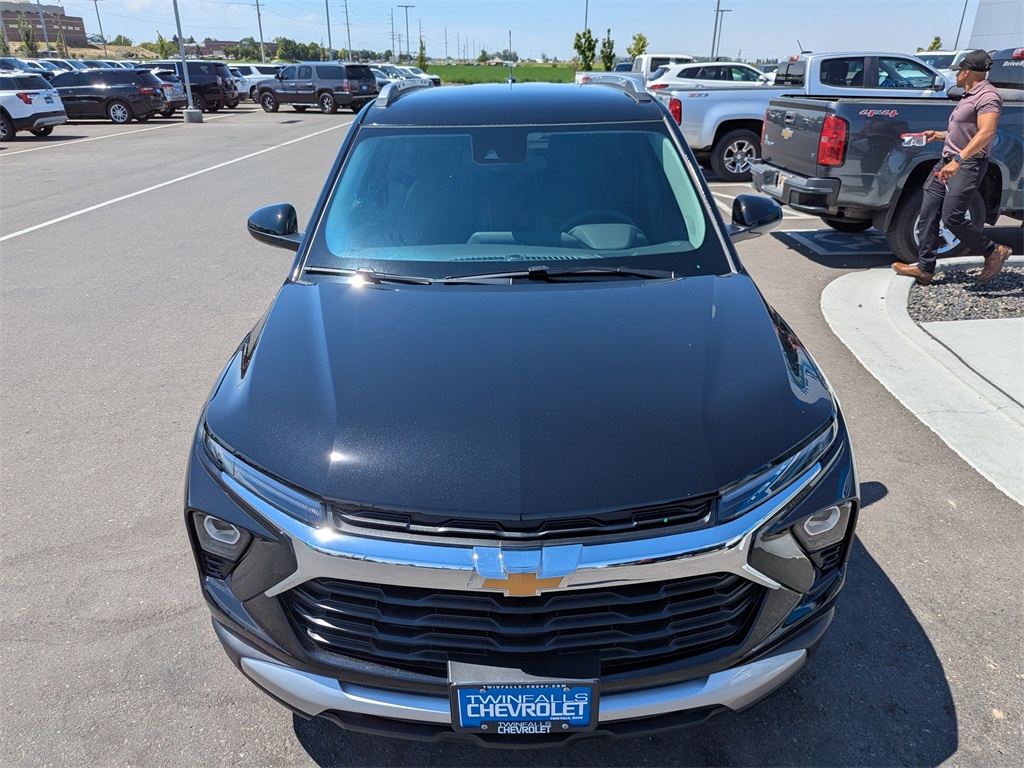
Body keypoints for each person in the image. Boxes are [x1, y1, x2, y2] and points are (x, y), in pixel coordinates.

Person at [892, 49, 1012, 286]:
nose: (956, 75)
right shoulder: (969, 95)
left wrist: (959, 160)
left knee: (953, 218)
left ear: (967, 72)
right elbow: (965, 132)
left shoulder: (987, 96)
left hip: (967, 164)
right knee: (928, 211)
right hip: (948, 161)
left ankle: (994, 251)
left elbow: (987, 132)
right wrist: (937, 135)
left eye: (959, 71)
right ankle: (925, 269)